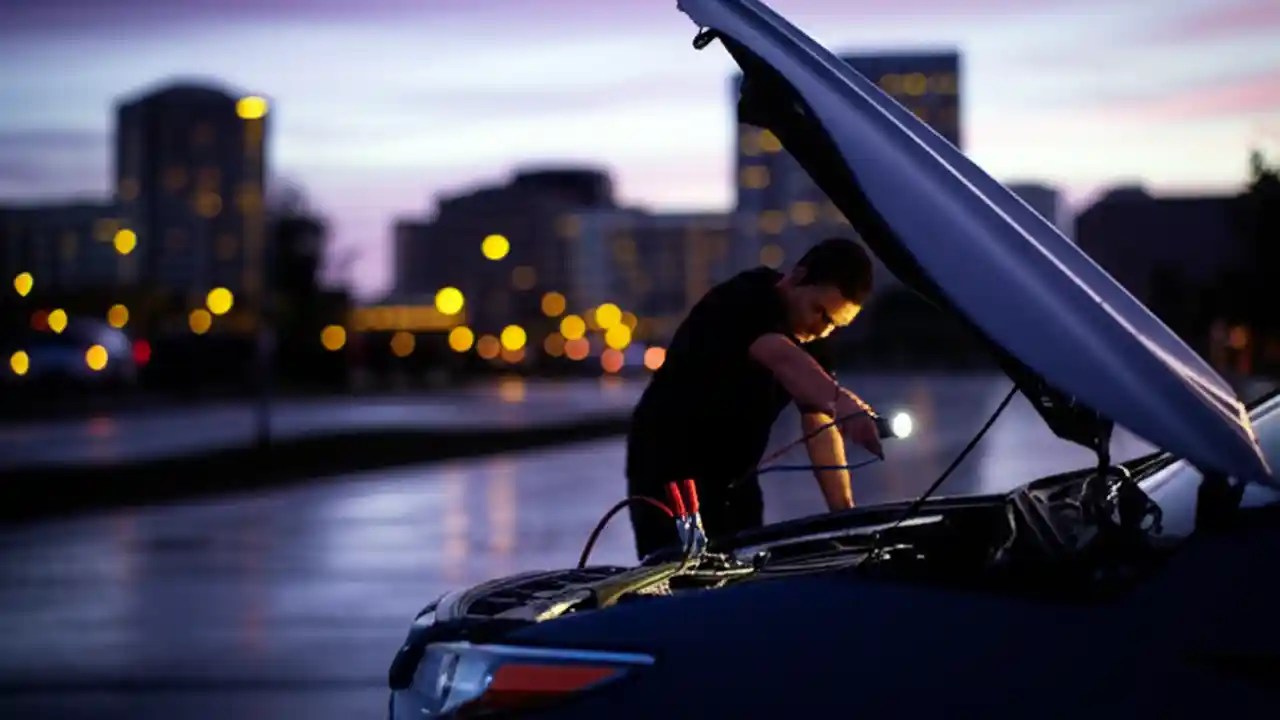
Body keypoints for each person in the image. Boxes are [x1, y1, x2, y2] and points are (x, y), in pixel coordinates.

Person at [625, 236, 882, 560]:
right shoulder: (746, 297)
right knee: (673, 570)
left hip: (735, 476)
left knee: (746, 566)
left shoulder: (813, 340)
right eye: (820, 312)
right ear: (798, 276)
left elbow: (820, 421)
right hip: (668, 466)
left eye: (835, 325)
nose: (822, 329)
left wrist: (845, 515)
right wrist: (844, 402)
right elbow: (778, 354)